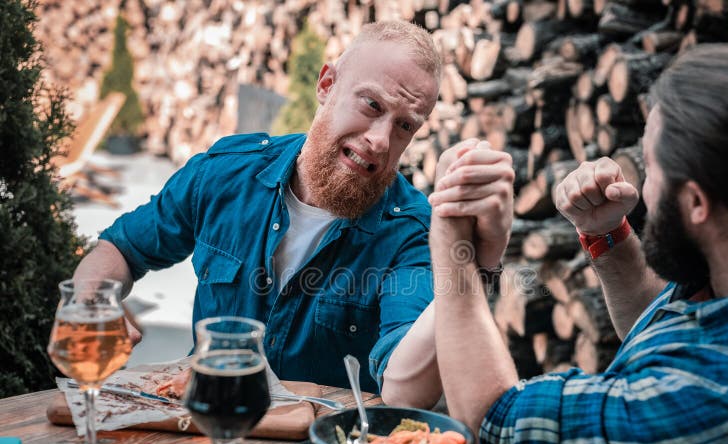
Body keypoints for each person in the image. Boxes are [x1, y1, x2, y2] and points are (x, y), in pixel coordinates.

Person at [430, 45, 728, 444]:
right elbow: (670, 347)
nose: (642, 188)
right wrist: (605, 234)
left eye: (649, 168)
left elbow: (490, 417)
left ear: (695, 203)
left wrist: (452, 241)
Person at [71, 20, 514, 403]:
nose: (381, 140)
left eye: (404, 126)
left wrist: (472, 264)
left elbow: (405, 388)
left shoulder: (411, 230)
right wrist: (91, 301)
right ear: (326, 85)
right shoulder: (227, 173)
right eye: (372, 105)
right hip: (204, 428)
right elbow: (123, 248)